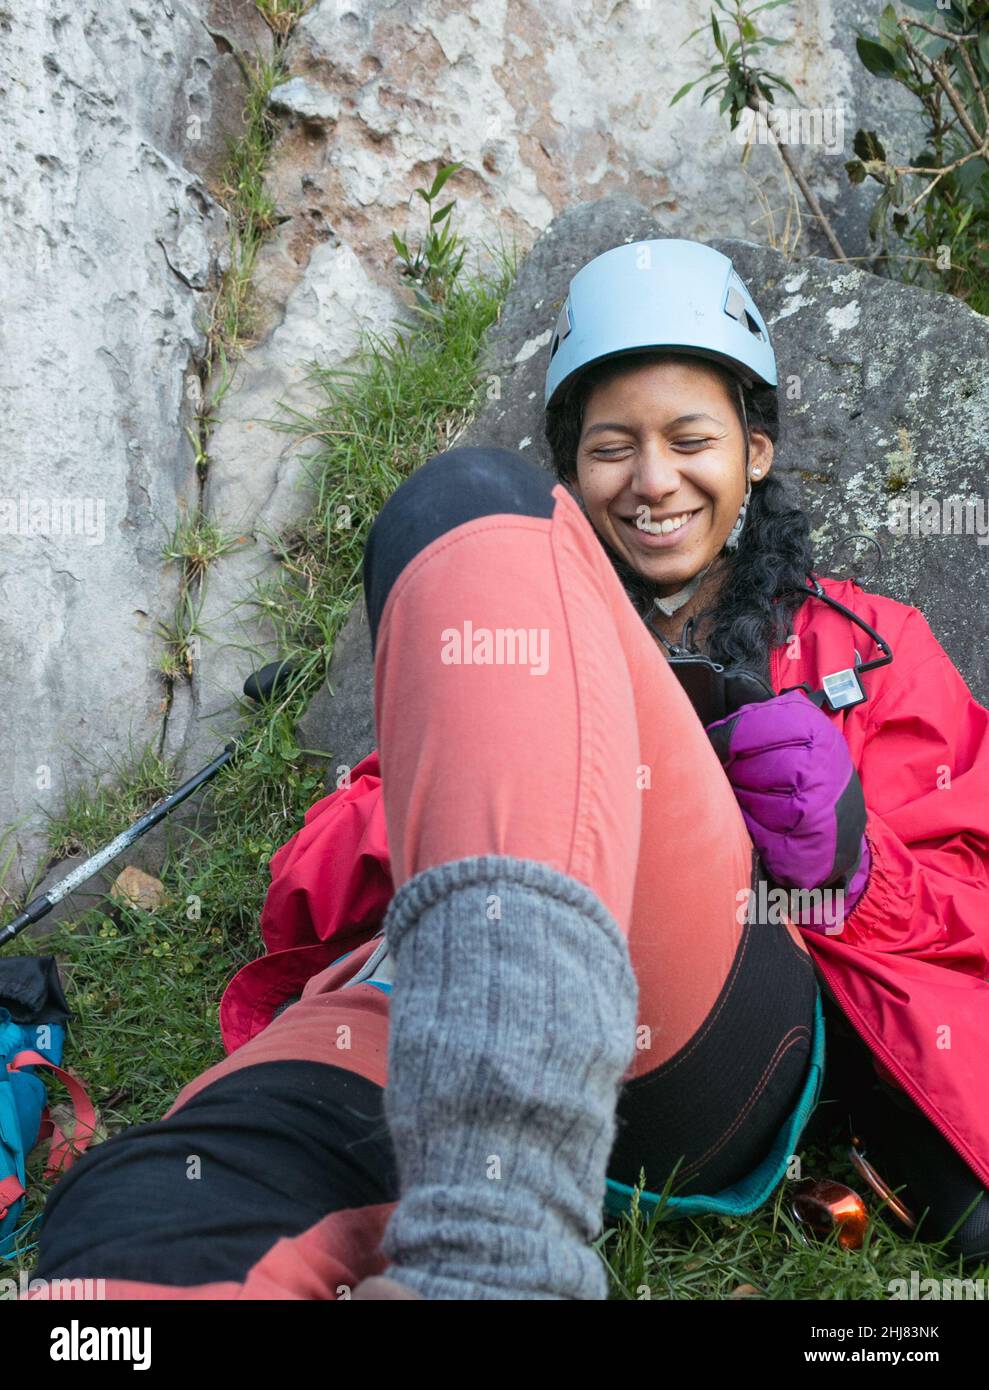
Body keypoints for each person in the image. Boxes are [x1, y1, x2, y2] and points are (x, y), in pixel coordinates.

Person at [27, 239, 989, 1301]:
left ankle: (496, 1250)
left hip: (698, 1047)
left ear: (754, 452)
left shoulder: (866, 650)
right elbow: (303, 898)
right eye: (611, 446)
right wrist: (491, 786)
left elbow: (972, 908)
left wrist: (853, 866)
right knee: (143, 1225)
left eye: (689, 439)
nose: (652, 480)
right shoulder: (501, 631)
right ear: (575, 473)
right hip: (442, 1013)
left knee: (464, 502)